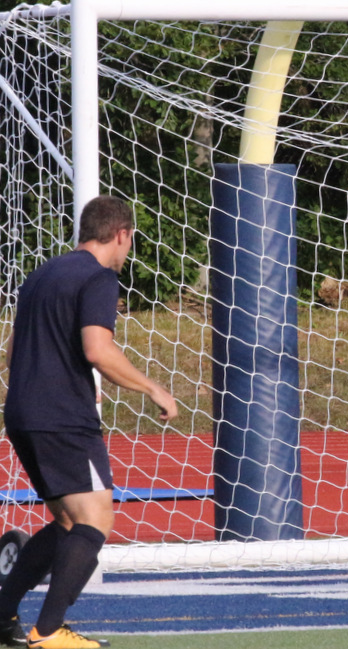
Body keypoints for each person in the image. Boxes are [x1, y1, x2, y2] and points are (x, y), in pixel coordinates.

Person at [0, 196, 178, 649]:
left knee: (65, 520)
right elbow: (97, 349)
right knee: (96, 519)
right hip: (62, 416)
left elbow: (11, 353)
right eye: (130, 240)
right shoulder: (100, 278)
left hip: (22, 412)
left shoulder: (41, 275)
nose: (128, 249)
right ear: (121, 234)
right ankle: (47, 632)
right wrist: (152, 387)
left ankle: (1, 615)